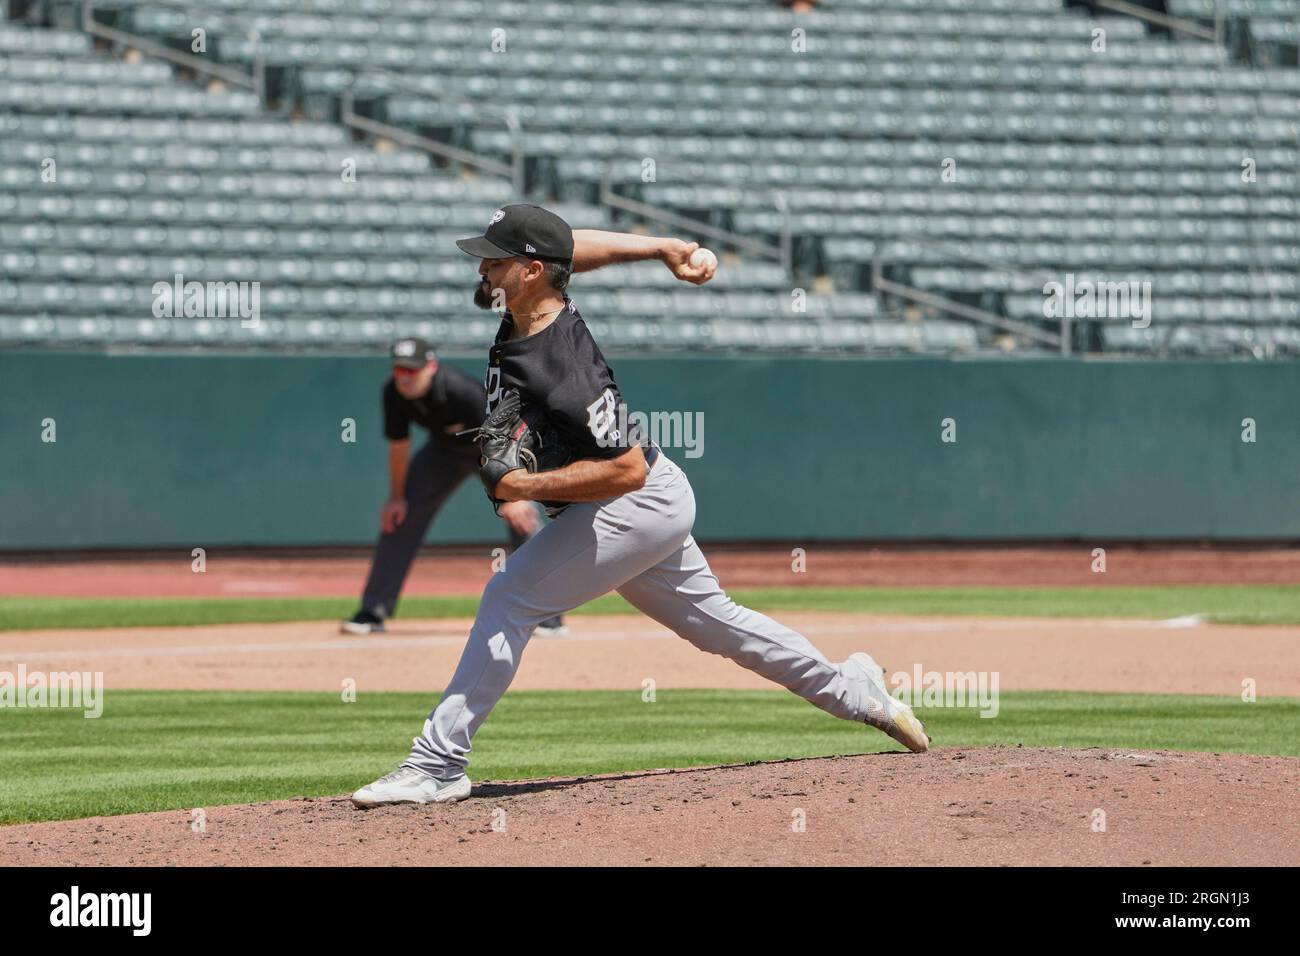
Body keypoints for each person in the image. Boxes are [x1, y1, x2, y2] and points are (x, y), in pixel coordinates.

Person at [351, 204, 927, 807]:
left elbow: (624, 470)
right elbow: (575, 249)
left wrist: (523, 488)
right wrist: (661, 247)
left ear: (529, 271)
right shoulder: (529, 305)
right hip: (637, 503)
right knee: (721, 626)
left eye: (495, 260)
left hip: (635, 501)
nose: (484, 269)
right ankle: (855, 691)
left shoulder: (561, 365)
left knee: (510, 594)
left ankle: (438, 763)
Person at [340, 336, 565, 636]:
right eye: (399, 370)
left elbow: (502, 439)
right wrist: (396, 497)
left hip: (493, 452)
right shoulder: (393, 393)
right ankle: (373, 611)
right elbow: (399, 447)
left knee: (522, 519)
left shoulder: (462, 391)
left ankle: (548, 617)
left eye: (412, 370)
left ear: (431, 366)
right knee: (399, 518)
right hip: (443, 452)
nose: (405, 378)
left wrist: (514, 496)